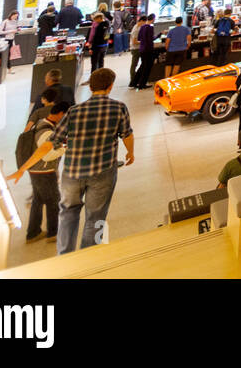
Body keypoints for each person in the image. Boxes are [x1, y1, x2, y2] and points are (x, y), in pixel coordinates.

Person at [10, 68, 134, 255]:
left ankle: (65, 256)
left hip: (73, 173)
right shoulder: (118, 107)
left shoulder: (74, 111)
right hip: (103, 172)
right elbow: (127, 134)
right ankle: (89, 256)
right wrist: (130, 153)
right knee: (96, 216)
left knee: (68, 212)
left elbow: (49, 145)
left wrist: (23, 168)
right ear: (110, 87)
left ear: (91, 87)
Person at [12, 100, 69, 244]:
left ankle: (33, 233)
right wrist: (64, 148)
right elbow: (47, 154)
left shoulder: (41, 123)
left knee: (38, 200)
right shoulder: (47, 131)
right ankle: (53, 233)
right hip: (44, 171)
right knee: (53, 201)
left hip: (36, 170)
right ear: (61, 114)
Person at [133, 14, 157, 89]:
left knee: (142, 66)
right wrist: (159, 35)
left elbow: (139, 38)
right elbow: (151, 39)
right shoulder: (150, 28)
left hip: (142, 49)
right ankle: (142, 84)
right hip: (148, 50)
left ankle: (134, 82)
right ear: (153, 19)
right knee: (147, 67)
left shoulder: (142, 27)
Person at [163, 15, 190, 79]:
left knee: (168, 65)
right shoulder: (186, 29)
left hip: (171, 49)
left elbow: (167, 41)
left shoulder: (171, 30)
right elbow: (189, 38)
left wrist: (167, 47)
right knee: (177, 65)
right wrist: (188, 46)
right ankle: (173, 78)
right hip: (182, 49)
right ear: (182, 22)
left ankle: (166, 79)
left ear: (175, 22)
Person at [127, 13, 146, 88]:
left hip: (136, 48)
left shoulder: (137, 27)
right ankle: (133, 80)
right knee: (134, 65)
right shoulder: (136, 29)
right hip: (135, 49)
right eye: (144, 22)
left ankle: (135, 80)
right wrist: (144, 41)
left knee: (135, 64)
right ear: (141, 21)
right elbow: (134, 41)